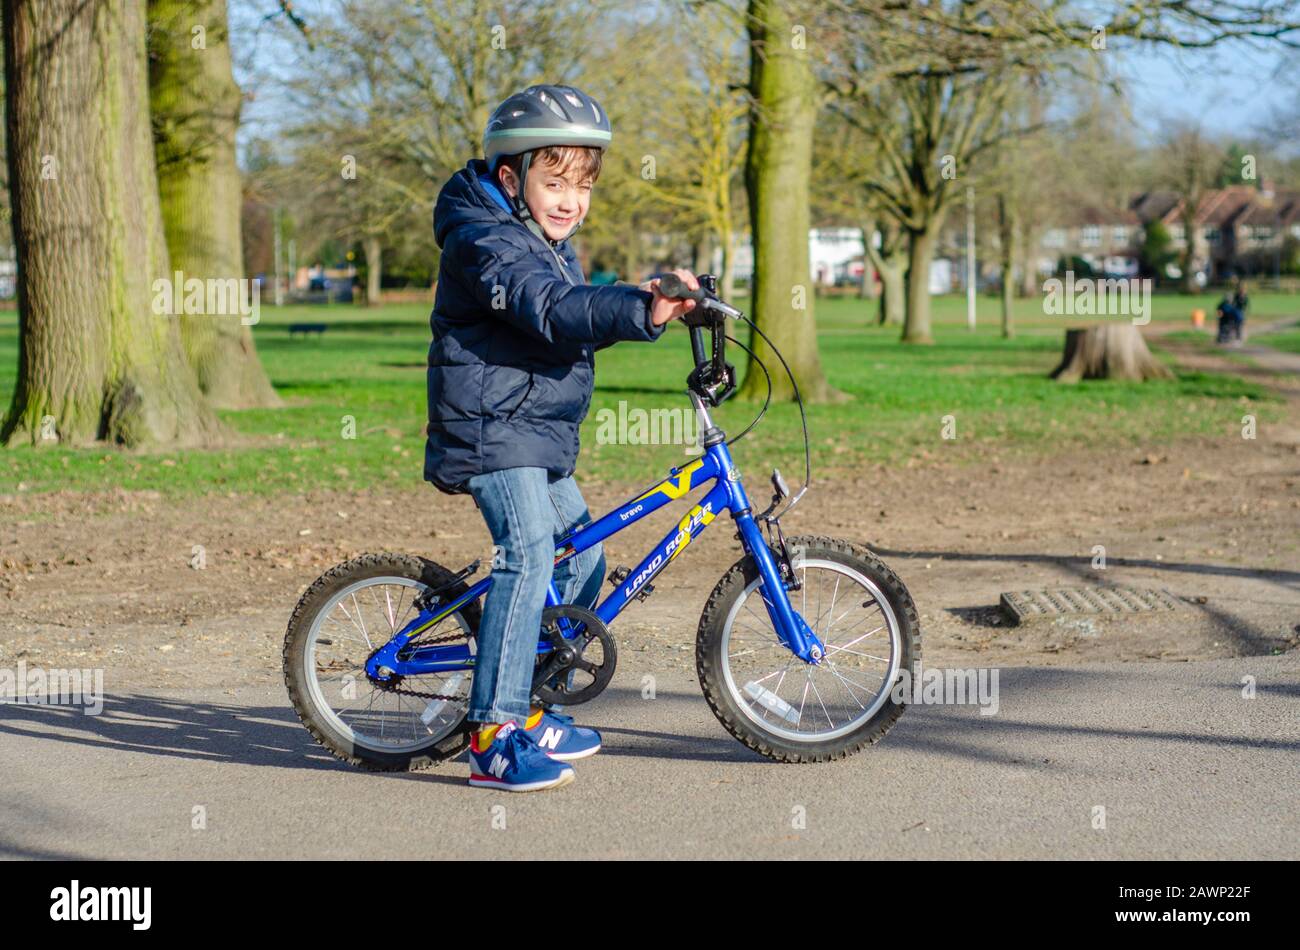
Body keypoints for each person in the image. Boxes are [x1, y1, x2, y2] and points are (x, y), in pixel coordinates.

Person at [424, 84, 699, 791]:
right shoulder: (483, 239)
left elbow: (569, 315)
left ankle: (534, 700)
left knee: (582, 558)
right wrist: (637, 307)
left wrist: (643, 301)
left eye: (582, 186)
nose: (571, 201)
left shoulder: (544, 241)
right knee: (530, 555)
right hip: (490, 428)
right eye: (556, 183)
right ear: (511, 177)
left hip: (532, 429)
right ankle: (493, 729)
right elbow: (547, 308)